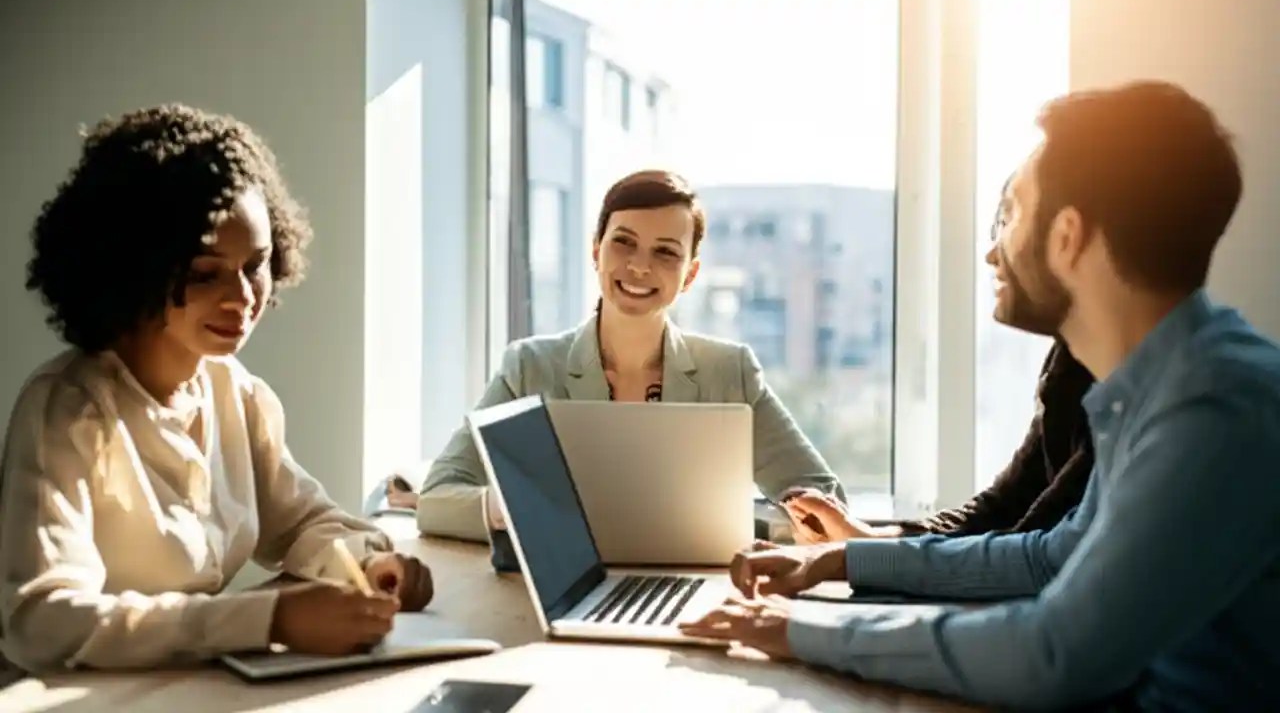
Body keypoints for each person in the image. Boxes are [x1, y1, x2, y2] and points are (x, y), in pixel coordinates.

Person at [680, 81, 1280, 711]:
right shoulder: (1158, 386)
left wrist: (801, 630)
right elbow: (1049, 559)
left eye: (1013, 213)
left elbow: (1055, 652)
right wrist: (839, 561)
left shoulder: (1215, 409)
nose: (995, 246)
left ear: (1067, 236)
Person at [0, 105, 434, 672]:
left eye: (255, 265)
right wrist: (269, 619)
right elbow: (41, 621)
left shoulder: (234, 391)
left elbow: (304, 523)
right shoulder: (67, 410)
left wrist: (373, 565)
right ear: (133, 268)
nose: (244, 297)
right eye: (206, 273)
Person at [411, 170, 845, 567]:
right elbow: (437, 499)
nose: (640, 266)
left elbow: (827, 501)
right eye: (624, 242)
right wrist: (512, 505)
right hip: (564, 587)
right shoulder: (529, 367)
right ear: (596, 250)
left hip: (694, 586)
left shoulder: (728, 371)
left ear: (690, 275)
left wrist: (731, 521)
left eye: (665, 253)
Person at [781, 182, 1096, 543]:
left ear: (1067, 235)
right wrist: (869, 540)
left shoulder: (1132, 386)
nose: (992, 254)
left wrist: (859, 557)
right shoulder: (1068, 363)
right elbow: (1002, 508)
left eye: (1008, 220)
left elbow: (1035, 553)